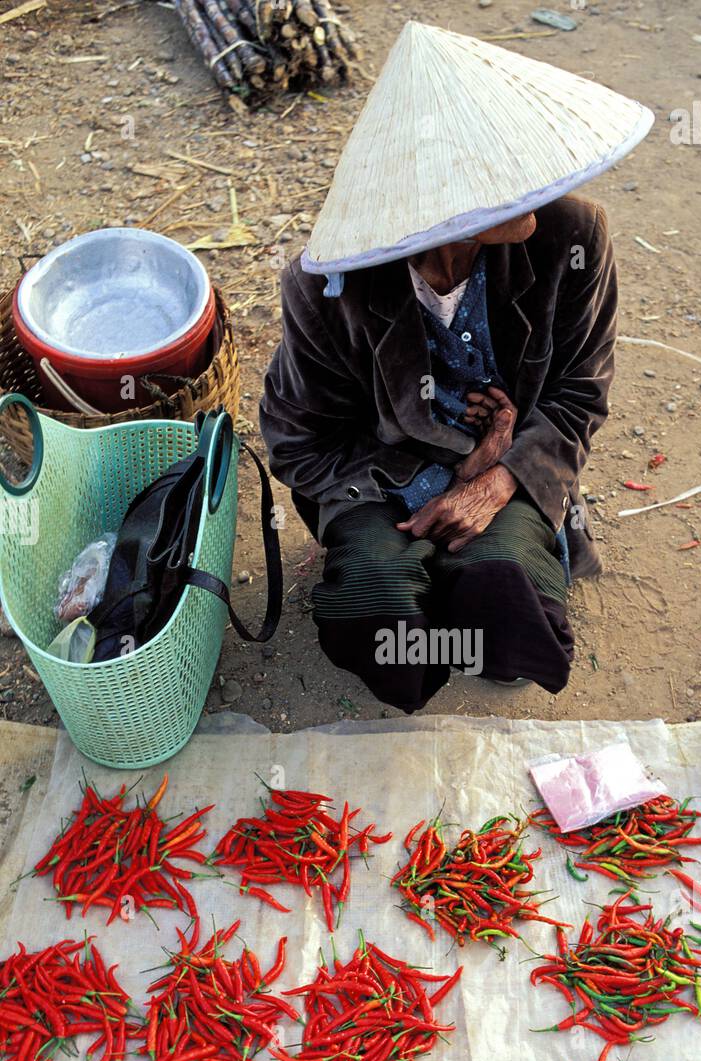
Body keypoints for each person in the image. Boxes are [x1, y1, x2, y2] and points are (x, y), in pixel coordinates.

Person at [260, 21, 652, 712]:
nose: (539, 183)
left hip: (509, 460)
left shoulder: (572, 237)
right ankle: (411, 597)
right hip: (379, 474)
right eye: (507, 173)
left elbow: (577, 395)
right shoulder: (328, 288)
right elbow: (301, 443)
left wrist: (497, 477)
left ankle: (477, 598)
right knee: (377, 604)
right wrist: (432, 480)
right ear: (446, 207)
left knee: (501, 585)